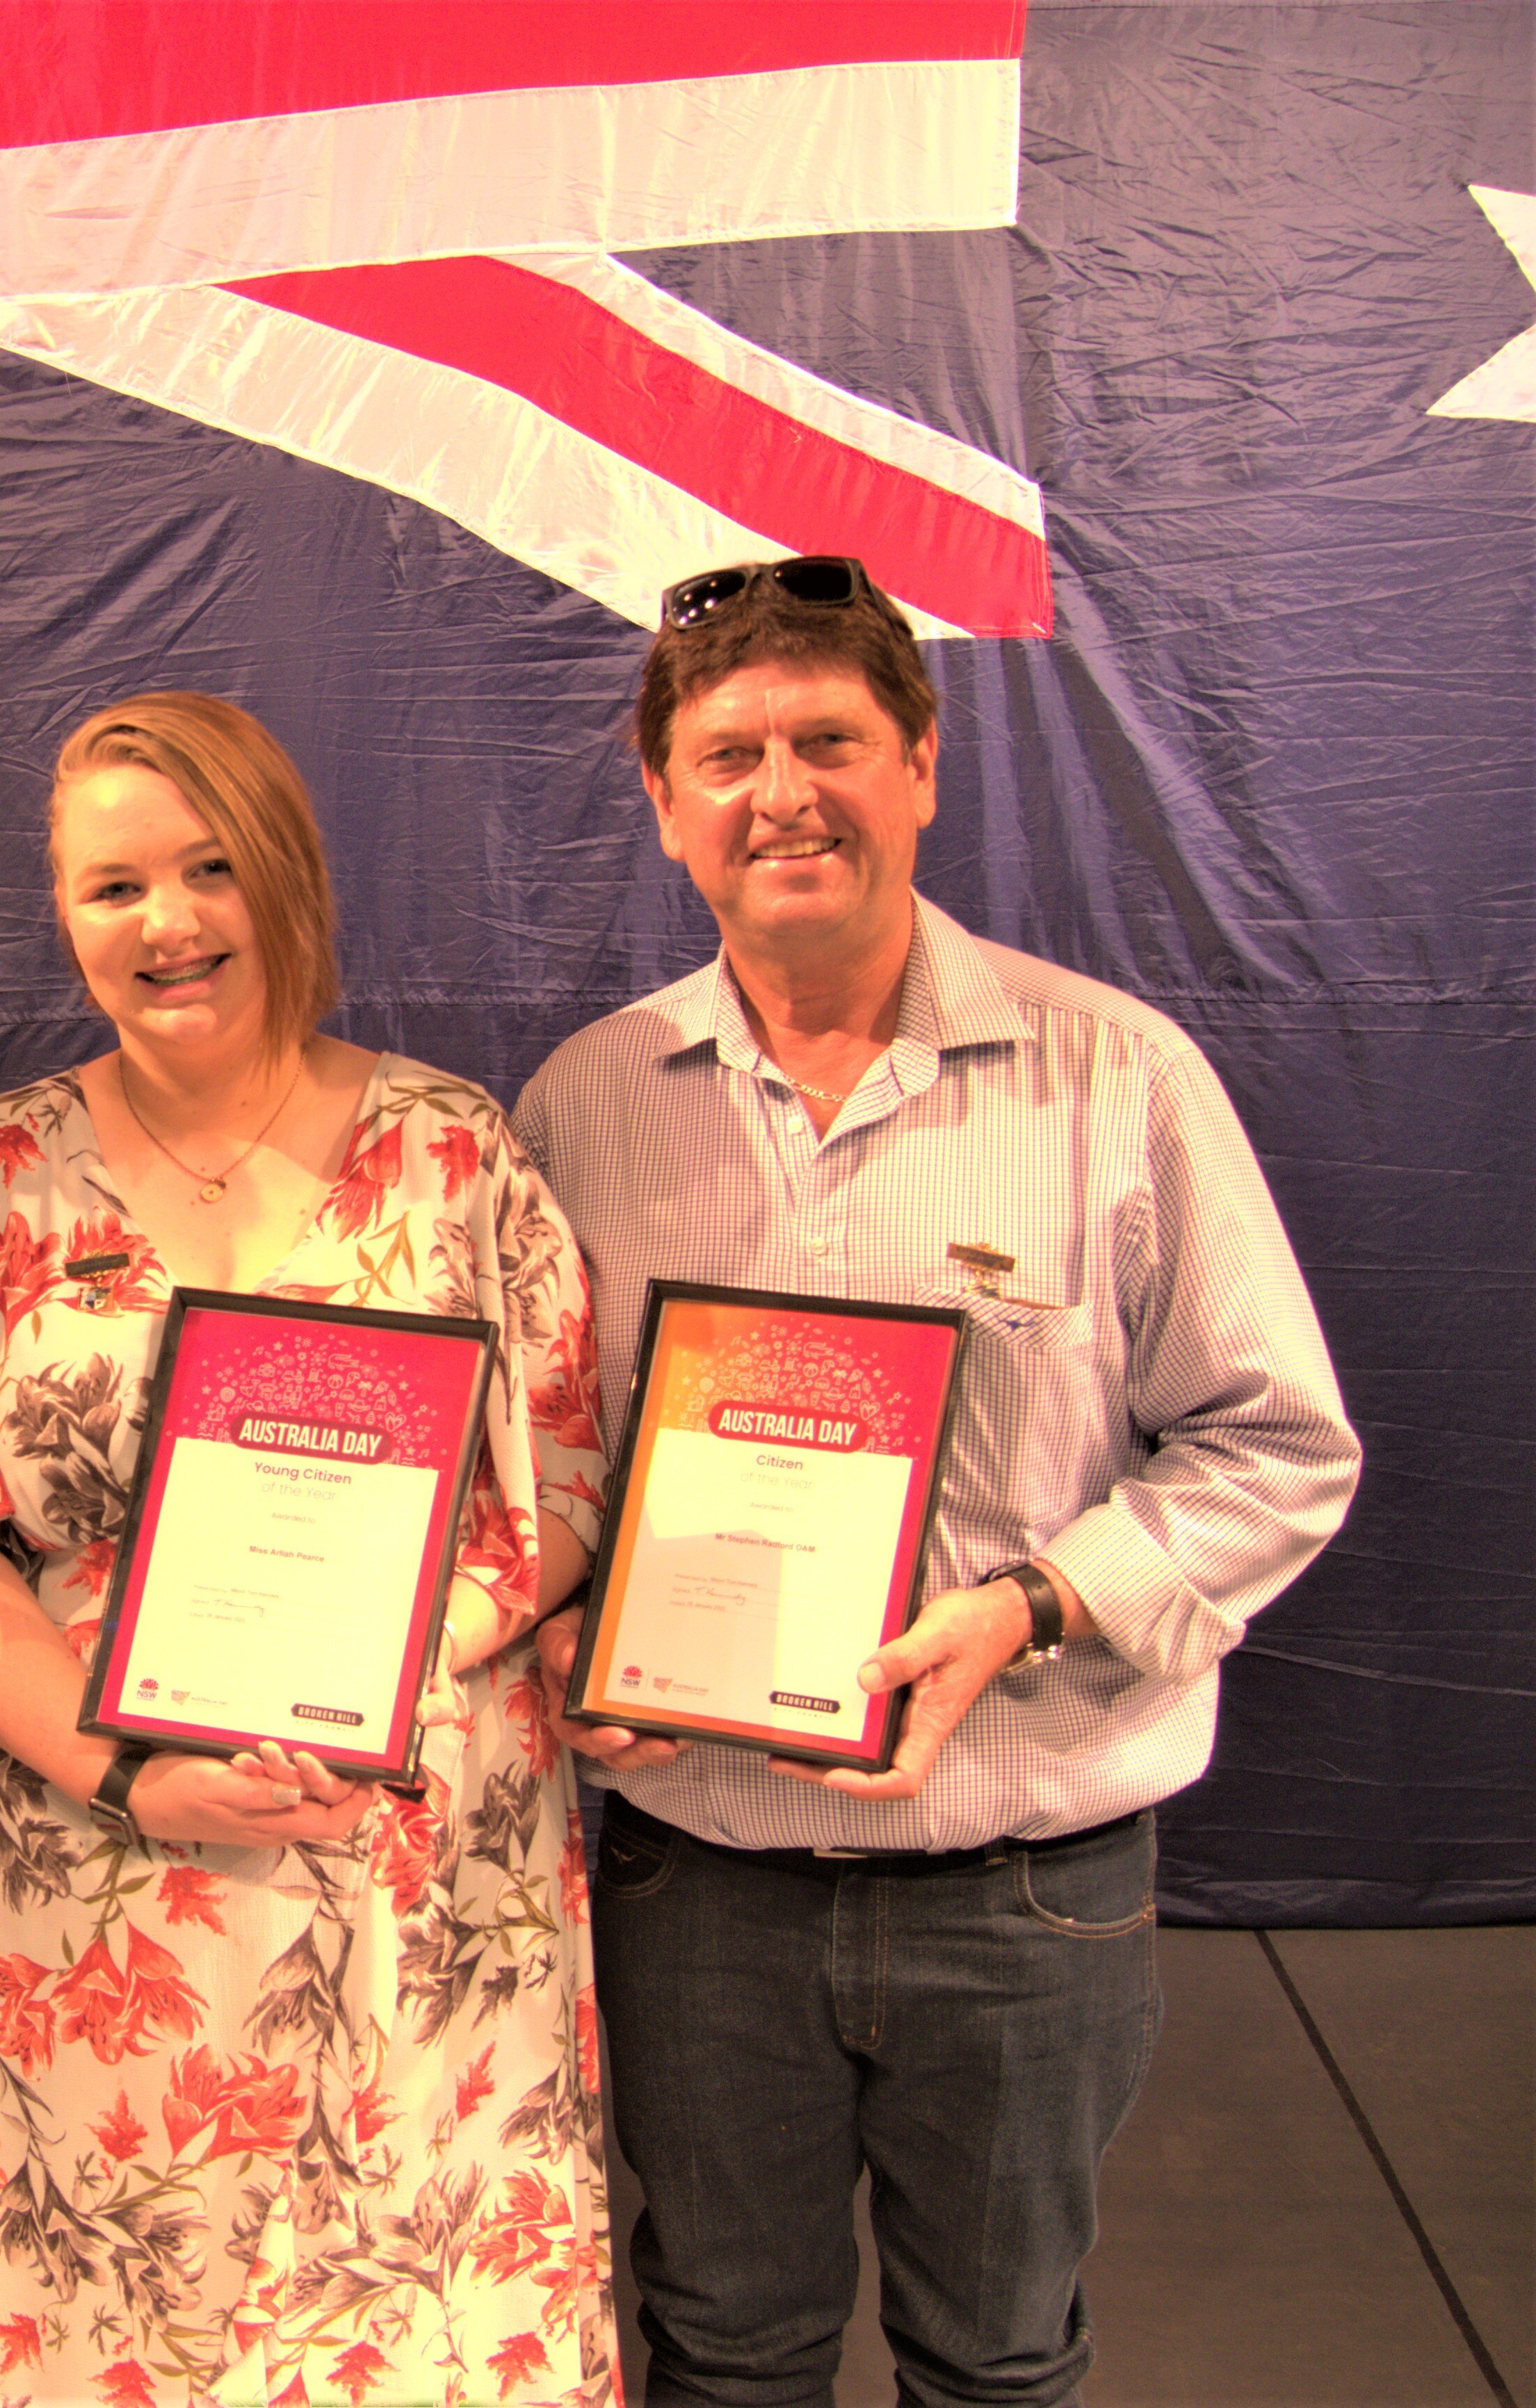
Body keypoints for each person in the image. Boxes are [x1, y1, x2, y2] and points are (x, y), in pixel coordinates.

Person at [512, 558, 1363, 2408]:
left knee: (1001, 2361)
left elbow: (1277, 1443)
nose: (782, 789)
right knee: (721, 2351)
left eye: (830, 739)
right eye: (728, 753)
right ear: (665, 807)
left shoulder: (1116, 1079)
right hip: (704, 1880)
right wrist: (569, 1622)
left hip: (1024, 1882)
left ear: (921, 766)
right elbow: (541, 1466)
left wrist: (1033, 1605)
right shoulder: (589, 1100)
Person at [0, 692, 621, 2407]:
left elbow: (561, 1498)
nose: (166, 924)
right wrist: (128, 1770)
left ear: (286, 878)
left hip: (407, 1892)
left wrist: (387, 1662)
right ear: (64, 914)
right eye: (114, 887)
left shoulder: (456, 1152)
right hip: (83, 1898)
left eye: (207, 870)